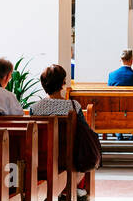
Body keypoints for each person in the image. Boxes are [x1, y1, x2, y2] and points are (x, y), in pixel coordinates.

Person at [30, 64, 100, 192]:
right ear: (63, 83)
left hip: (42, 157)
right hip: (68, 158)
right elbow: (84, 130)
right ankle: (75, 189)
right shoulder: (73, 106)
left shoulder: (35, 108)